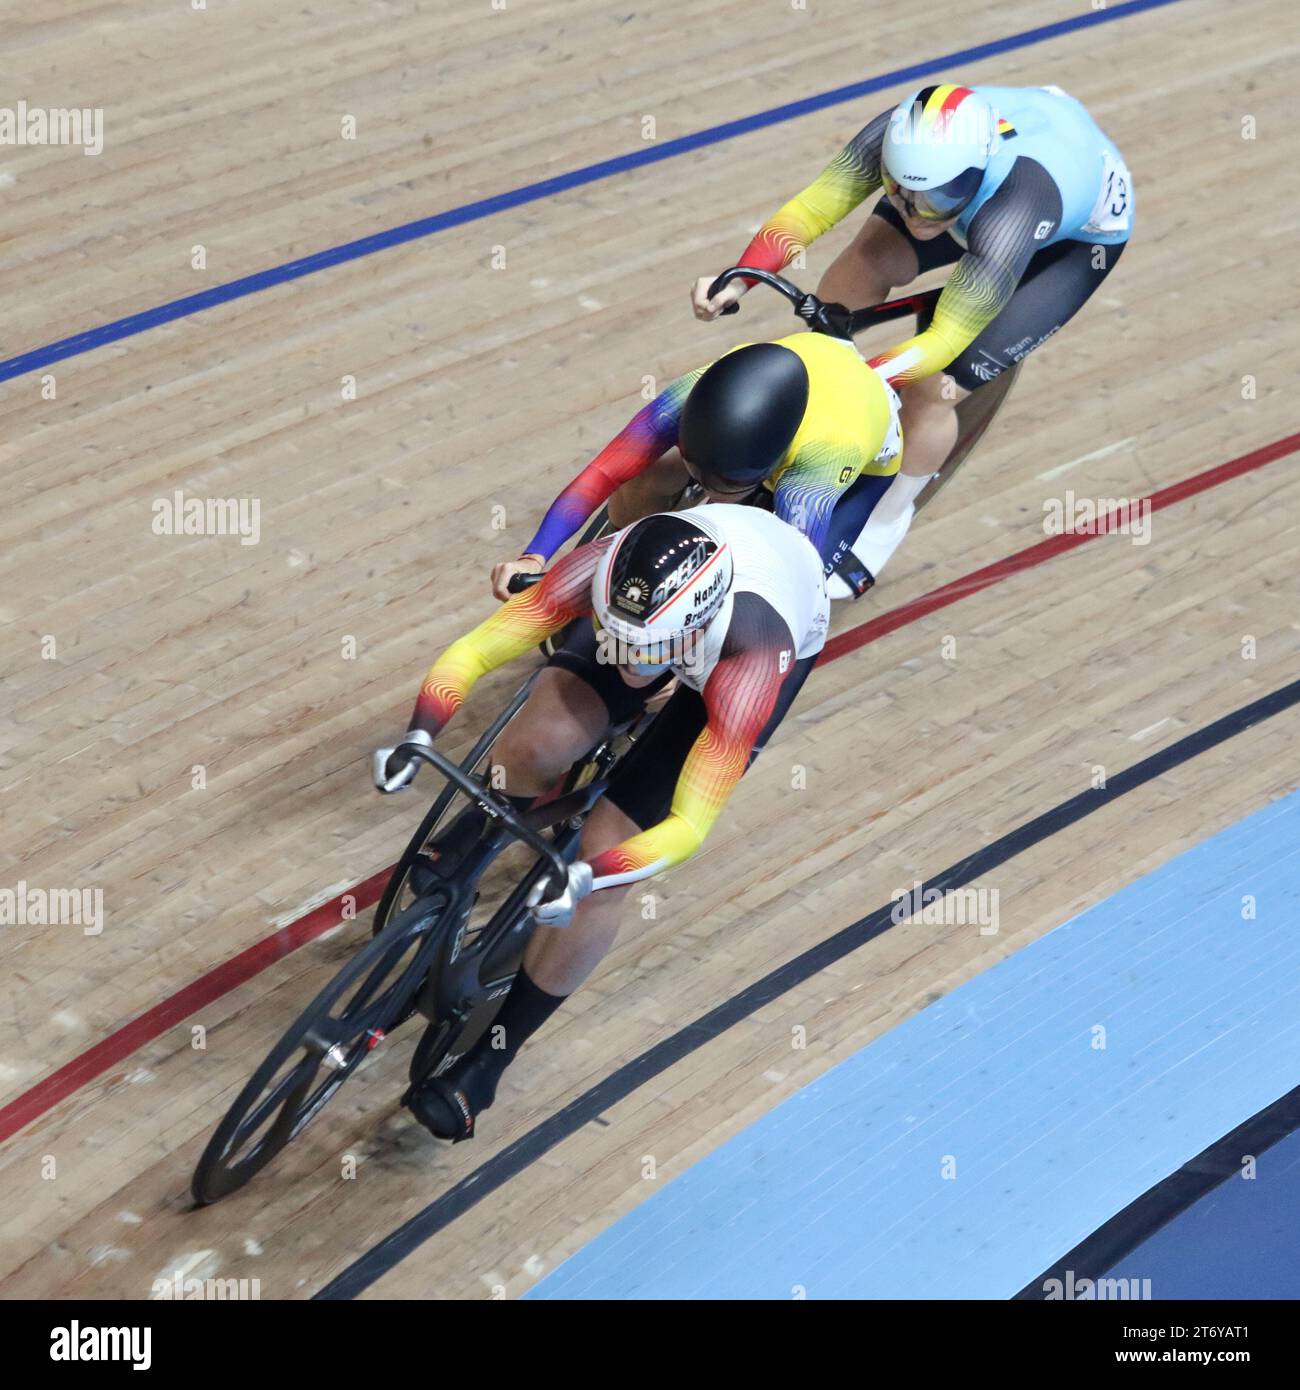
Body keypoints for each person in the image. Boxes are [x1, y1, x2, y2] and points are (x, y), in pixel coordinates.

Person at [374, 504, 829, 1140]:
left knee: (610, 867)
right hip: (657, 612)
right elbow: (478, 650)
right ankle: (488, 821)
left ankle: (489, 1060)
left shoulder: (752, 656)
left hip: (749, 640)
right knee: (536, 744)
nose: (629, 666)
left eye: (648, 656)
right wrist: (419, 731)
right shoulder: (606, 569)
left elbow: (688, 829)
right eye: (620, 641)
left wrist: (593, 873)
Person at [692, 82, 1134, 578]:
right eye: (898, 188)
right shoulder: (898, 143)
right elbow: (812, 210)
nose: (914, 212)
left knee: (935, 386)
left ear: (973, 175)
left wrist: (862, 383)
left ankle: (887, 515)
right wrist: (741, 278)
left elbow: (944, 338)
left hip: (1070, 241)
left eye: (935, 196)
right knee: (860, 266)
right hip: (1003, 168)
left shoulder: (1014, 208)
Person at [491, 329, 905, 603]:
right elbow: (604, 472)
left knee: (780, 599)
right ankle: (623, 547)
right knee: (645, 474)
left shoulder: (816, 470)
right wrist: (534, 556)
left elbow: (787, 591)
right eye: (699, 468)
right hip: (793, 399)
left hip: (857, 458)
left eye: (724, 483)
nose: (708, 493)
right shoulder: (693, 391)